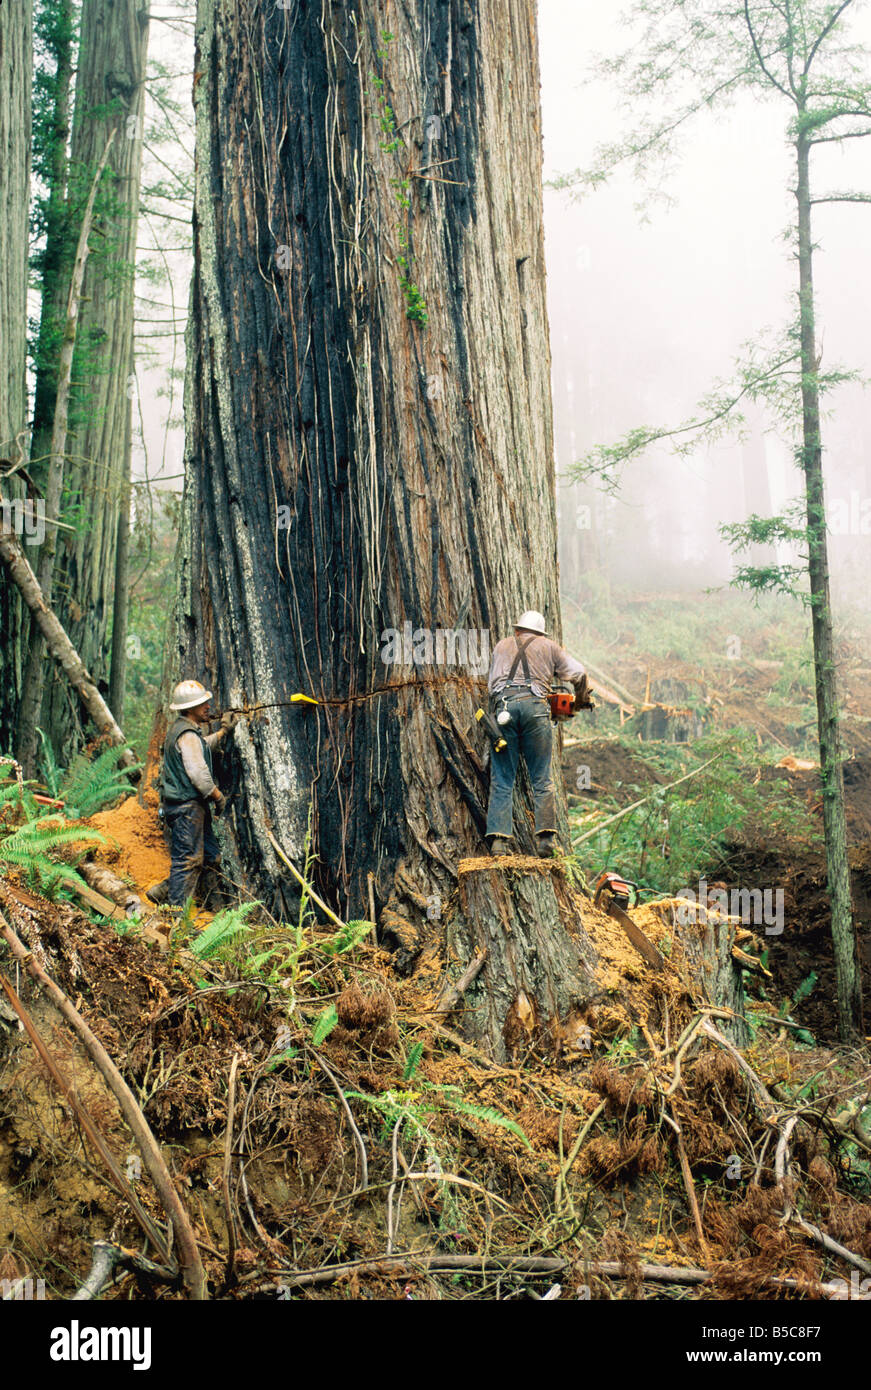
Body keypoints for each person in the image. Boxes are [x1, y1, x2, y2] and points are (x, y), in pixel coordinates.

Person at [485, 611, 588, 858]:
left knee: (502, 778)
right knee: (542, 779)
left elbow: (491, 688)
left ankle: (498, 843)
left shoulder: (501, 646)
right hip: (536, 711)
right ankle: (546, 840)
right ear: (540, 633)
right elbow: (579, 673)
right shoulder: (549, 647)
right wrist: (581, 700)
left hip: (504, 711)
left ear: (518, 629)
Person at [146, 680, 240, 909]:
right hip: (186, 808)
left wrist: (223, 732)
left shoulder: (184, 732)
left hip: (189, 807)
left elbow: (201, 746)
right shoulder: (187, 734)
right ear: (189, 709)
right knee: (188, 861)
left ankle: (205, 905)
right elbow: (198, 773)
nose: (207, 706)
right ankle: (177, 916)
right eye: (201, 703)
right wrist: (217, 795)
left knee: (210, 856)